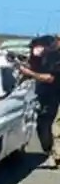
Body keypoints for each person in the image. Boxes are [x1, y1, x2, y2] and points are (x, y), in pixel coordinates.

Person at [18, 35, 59, 169]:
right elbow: (35, 67)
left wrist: (29, 72)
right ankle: (50, 154)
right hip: (48, 95)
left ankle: (55, 157)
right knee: (42, 124)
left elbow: (49, 78)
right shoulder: (43, 56)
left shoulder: (55, 57)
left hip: (55, 94)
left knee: (55, 128)